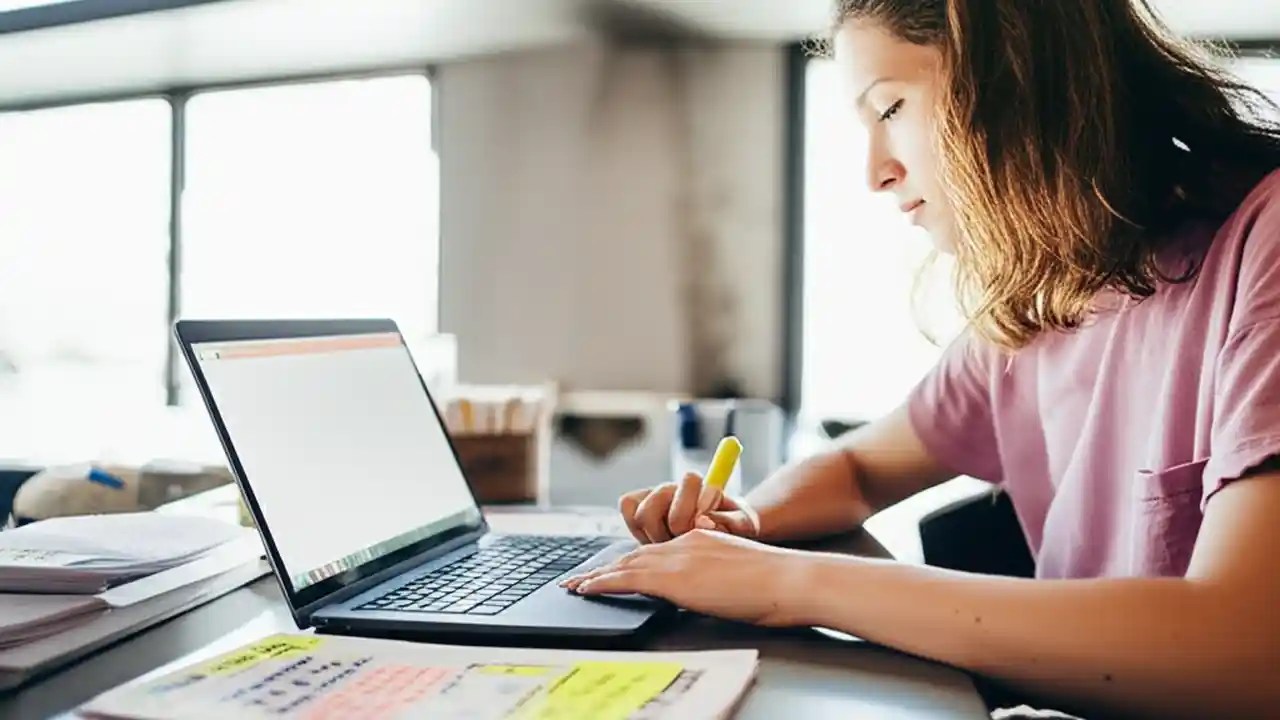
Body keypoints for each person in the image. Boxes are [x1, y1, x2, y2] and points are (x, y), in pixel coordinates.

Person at [562, 1, 1280, 717]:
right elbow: (858, 467)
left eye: (891, 108)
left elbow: (1245, 649)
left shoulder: (1264, 243)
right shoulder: (1044, 294)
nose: (876, 172)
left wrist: (788, 583)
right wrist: (746, 523)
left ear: (1010, 77)